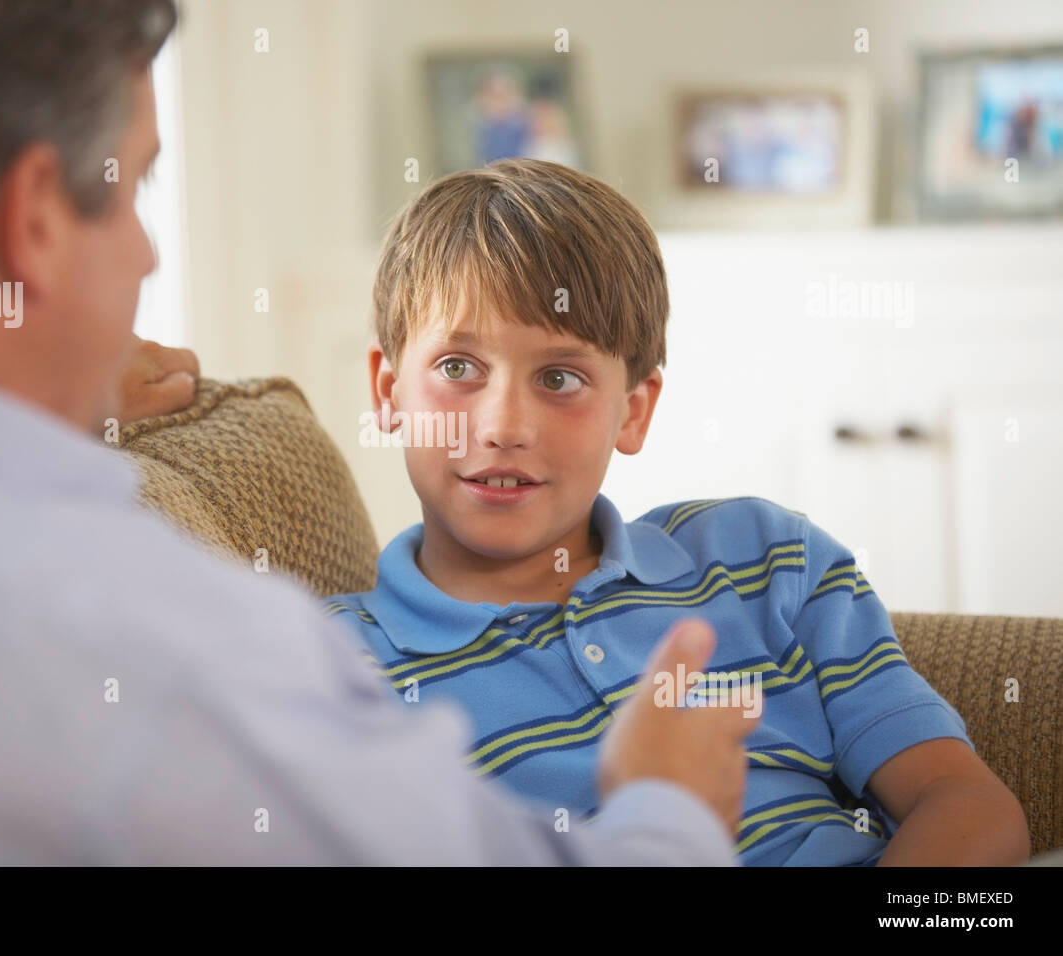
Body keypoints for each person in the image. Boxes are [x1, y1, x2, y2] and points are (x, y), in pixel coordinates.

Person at [0, 0, 750, 865]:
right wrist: (664, 800)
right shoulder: (160, 642)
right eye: (138, 187)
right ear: (32, 224)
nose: (150, 251)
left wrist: (25, 366)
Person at [324, 157, 1031, 866]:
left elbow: (968, 805)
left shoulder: (766, 558)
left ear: (633, 412)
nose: (505, 425)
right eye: (457, 368)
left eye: (560, 377)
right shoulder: (342, 668)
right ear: (388, 393)